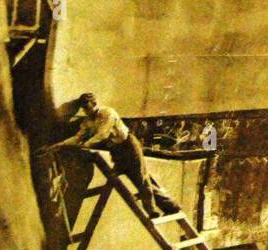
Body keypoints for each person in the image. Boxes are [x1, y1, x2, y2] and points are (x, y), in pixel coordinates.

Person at [47, 93, 175, 217]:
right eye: (84, 108)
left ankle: (153, 210)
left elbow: (102, 134)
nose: (85, 110)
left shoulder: (107, 113)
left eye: (87, 107)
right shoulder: (88, 121)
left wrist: (85, 145)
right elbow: (78, 136)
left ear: (94, 103)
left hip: (128, 146)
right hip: (117, 151)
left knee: (141, 179)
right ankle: (170, 206)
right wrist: (60, 145)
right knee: (134, 179)